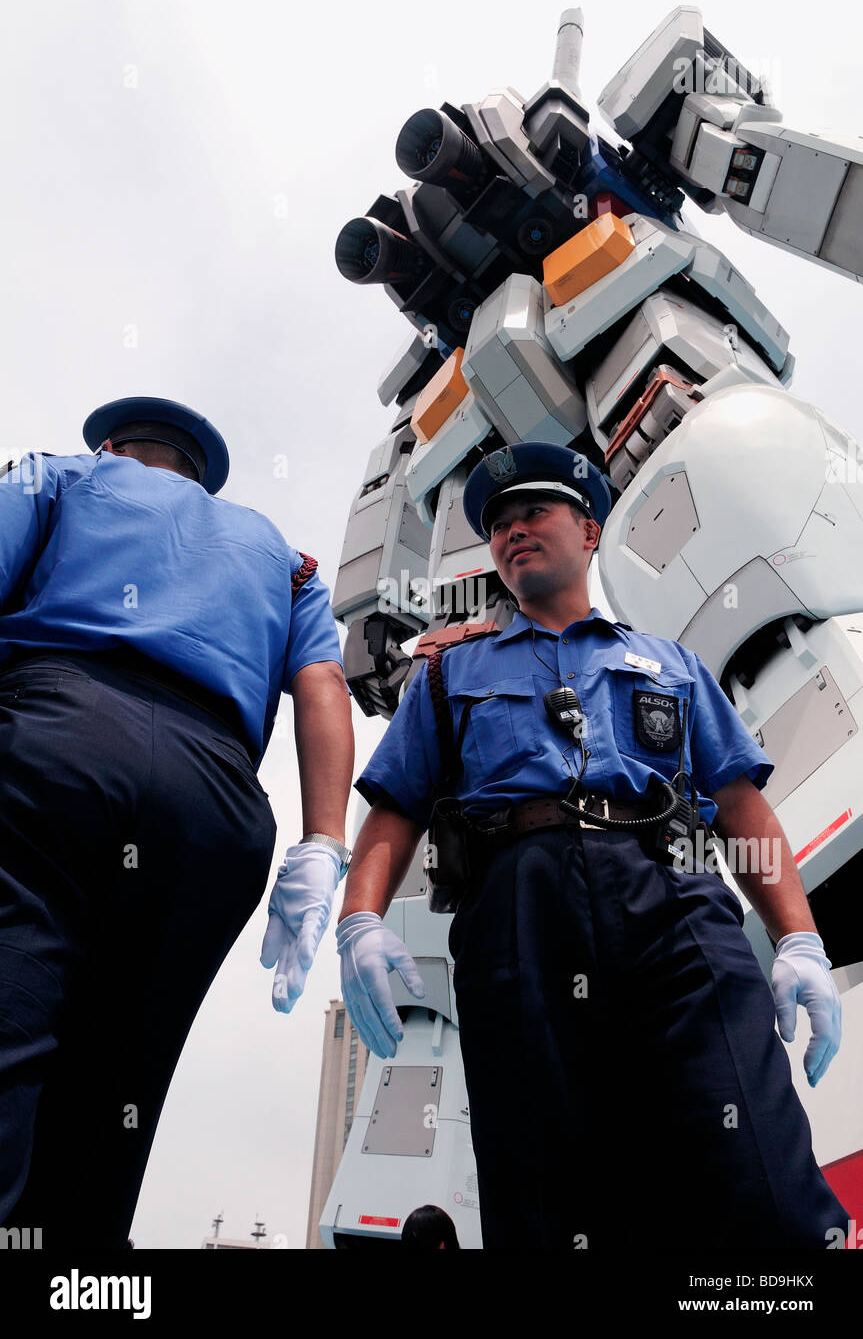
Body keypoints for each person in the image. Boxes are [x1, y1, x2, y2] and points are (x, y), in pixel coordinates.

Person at [336, 440, 848, 1250]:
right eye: (498, 524)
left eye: (533, 511)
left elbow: (738, 803)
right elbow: (394, 809)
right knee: (543, 1186)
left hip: (671, 901)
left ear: (589, 530)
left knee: (757, 1167)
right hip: (516, 913)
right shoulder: (446, 676)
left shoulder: (672, 664)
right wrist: (357, 921)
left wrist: (799, 939)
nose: (512, 531)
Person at [0, 396, 353, 1247]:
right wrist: (323, 846)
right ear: (200, 475)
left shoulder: (59, 476)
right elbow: (323, 689)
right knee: (115, 1096)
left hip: (59, 742)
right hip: (214, 806)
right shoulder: (282, 557)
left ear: (117, 447)